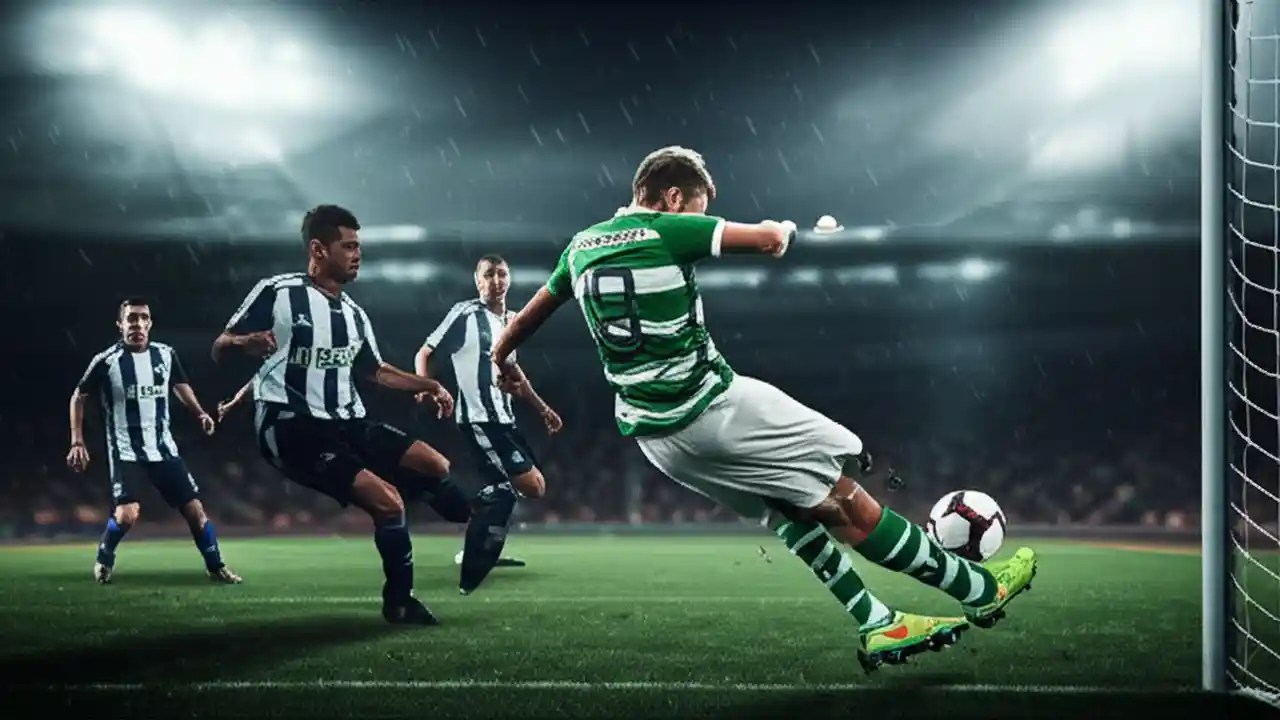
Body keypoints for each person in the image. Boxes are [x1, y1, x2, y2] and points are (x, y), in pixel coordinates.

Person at [489, 146, 1037, 672]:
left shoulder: (580, 246)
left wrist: (501, 357)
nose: (705, 217)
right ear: (675, 197)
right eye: (703, 206)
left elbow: (528, 317)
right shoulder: (670, 227)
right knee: (843, 490)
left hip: (656, 439)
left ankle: (876, 621)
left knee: (787, 510)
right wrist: (792, 227)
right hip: (714, 407)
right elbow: (771, 240)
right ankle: (981, 590)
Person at [210, 204, 471, 625]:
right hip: (290, 424)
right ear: (318, 248)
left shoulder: (354, 314)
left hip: (346, 421)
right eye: (348, 246)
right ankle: (400, 603)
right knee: (388, 503)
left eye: (358, 246)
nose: (357, 254)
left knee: (434, 463)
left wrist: (432, 385)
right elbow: (220, 345)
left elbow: (376, 372)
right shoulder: (277, 292)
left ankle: (472, 525)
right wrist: (244, 344)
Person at [413, 253, 563, 594]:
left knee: (523, 488)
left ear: (509, 280)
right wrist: (427, 387)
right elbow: (425, 352)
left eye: (502, 274)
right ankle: (460, 514)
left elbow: (514, 373)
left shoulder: (512, 321)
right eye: (489, 275)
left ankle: (482, 543)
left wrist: (542, 408)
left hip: (505, 419)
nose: (496, 280)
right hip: (479, 419)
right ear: (477, 281)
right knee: (523, 487)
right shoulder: (465, 314)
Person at [68, 298, 241, 585]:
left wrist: (199, 413)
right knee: (126, 516)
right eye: (131, 318)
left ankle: (216, 566)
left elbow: (179, 385)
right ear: (120, 325)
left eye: (142, 318)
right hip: (126, 450)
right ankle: (104, 556)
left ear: (150, 323)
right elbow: (79, 395)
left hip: (163, 449)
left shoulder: (165, 355)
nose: (137, 324)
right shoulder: (107, 360)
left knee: (196, 512)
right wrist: (77, 440)